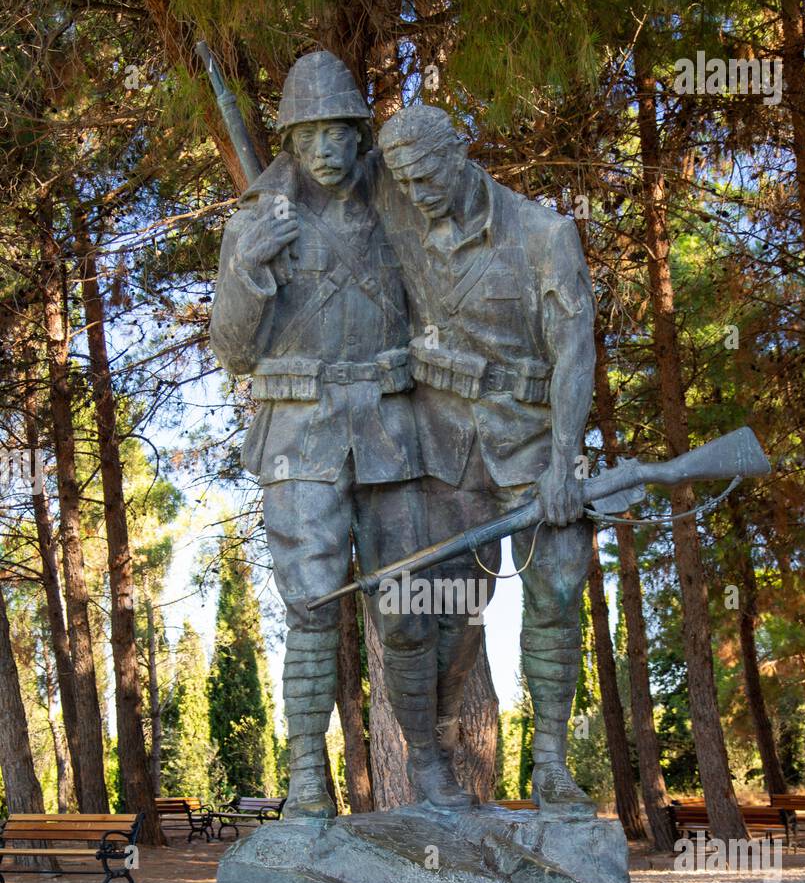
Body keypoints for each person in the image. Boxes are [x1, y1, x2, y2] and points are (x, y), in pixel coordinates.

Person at [210, 55, 468, 816]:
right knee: (312, 609)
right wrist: (251, 269)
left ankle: (427, 768)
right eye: (308, 134)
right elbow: (231, 348)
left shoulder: (400, 205)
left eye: (338, 132)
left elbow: (441, 297)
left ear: (360, 135)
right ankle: (306, 782)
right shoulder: (257, 221)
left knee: (411, 608)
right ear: (289, 140)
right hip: (299, 436)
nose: (324, 148)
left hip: (392, 429)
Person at [375, 104, 597, 811]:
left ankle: (553, 765)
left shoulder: (542, 234)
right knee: (438, 610)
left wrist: (564, 460)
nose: (417, 192)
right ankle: (430, 760)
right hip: (441, 451)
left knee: (559, 589)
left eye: (427, 173)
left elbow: (574, 353)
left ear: (460, 152)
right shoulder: (400, 222)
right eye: (403, 181)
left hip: (533, 441)